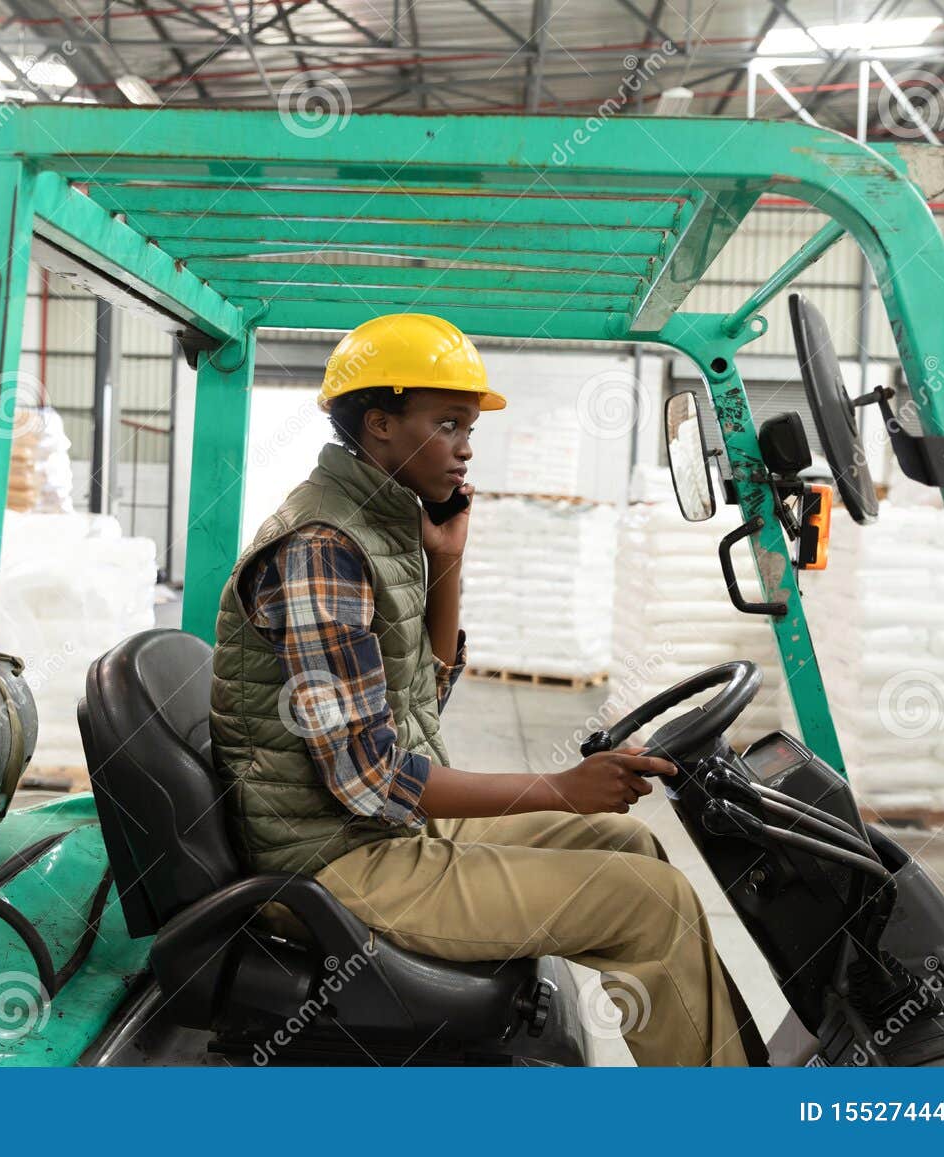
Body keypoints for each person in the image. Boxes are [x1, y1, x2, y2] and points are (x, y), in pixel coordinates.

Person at [209, 312, 761, 1066]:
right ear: (378, 424)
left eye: (469, 426)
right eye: (448, 424)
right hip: (336, 861)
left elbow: (419, 705)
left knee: (631, 841)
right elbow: (368, 778)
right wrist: (560, 788)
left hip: (378, 834)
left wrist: (446, 563)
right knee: (653, 904)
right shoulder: (322, 548)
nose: (467, 447)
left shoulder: (378, 527)